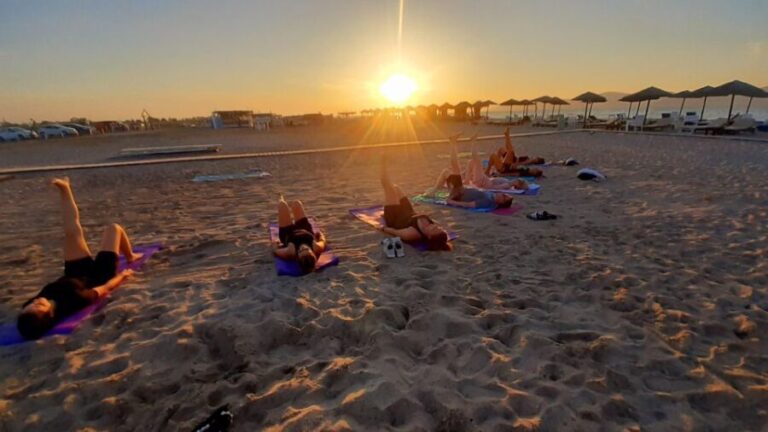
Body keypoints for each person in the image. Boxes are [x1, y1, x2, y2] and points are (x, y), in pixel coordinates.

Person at [17, 178, 141, 340]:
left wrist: (33, 307)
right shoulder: (76, 300)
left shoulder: (30, 309)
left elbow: (31, 312)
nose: (37, 301)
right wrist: (123, 275)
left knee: (71, 232)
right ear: (51, 314)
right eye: (39, 305)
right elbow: (105, 288)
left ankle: (65, 188)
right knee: (114, 228)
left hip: (75, 271)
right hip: (99, 275)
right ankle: (130, 255)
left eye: (32, 304)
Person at [380, 156, 452, 251]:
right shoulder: (431, 226)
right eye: (438, 228)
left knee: (387, 185)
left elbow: (395, 232)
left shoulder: (411, 235)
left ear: (429, 236)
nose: (435, 226)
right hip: (408, 211)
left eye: (434, 229)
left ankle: (382, 163)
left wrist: (384, 228)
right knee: (396, 188)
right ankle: (384, 162)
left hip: (395, 217)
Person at [429, 134, 516, 209]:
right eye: (505, 195)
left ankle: (453, 143)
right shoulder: (491, 196)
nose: (503, 194)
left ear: (500, 202)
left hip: (459, 193)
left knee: (455, 167)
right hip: (461, 189)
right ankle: (433, 191)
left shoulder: (487, 202)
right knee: (446, 172)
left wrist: (452, 202)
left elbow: (469, 205)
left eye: (504, 197)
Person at [428, 133, 530, 193]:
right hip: (479, 181)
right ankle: (455, 142)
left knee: (473, 161)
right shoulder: (507, 183)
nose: (517, 180)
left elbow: (492, 187)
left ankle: (464, 142)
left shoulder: (508, 185)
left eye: (519, 182)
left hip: (480, 182)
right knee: (469, 162)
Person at [272, 196, 327, 274]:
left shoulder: (290, 252)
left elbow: (275, 251)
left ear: (298, 256)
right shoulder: (316, 247)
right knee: (296, 203)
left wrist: (275, 243)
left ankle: (280, 197)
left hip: (288, 232)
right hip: (304, 229)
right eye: (306, 249)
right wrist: (320, 234)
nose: (302, 247)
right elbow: (323, 240)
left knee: (282, 205)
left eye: (300, 251)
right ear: (312, 252)